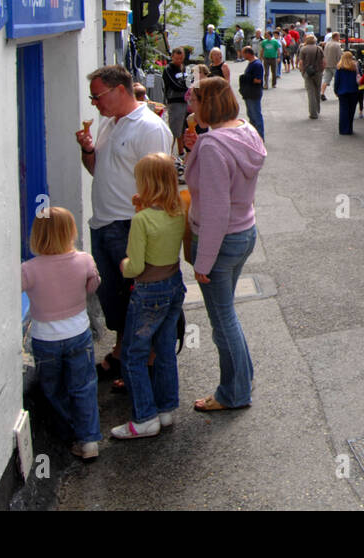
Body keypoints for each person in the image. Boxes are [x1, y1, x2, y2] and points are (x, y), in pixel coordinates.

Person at [75, 66, 174, 385]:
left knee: (137, 298)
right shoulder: (108, 123)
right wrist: (88, 150)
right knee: (114, 298)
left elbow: (161, 182)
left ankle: (144, 366)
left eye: (97, 95)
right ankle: (122, 352)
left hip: (130, 224)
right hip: (104, 221)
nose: (94, 103)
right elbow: (98, 170)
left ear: (120, 90)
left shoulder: (149, 127)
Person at [184, 77, 267, 412]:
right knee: (227, 315)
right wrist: (196, 147)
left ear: (207, 104)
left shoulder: (214, 146)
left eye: (195, 101)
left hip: (219, 239)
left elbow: (216, 208)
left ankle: (233, 393)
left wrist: (202, 262)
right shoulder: (245, 131)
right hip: (244, 231)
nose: (190, 107)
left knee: (222, 321)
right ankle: (241, 380)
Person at [111, 152, 187, 439]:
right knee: (165, 349)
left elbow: (136, 266)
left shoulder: (141, 220)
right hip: (173, 285)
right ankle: (166, 409)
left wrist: (122, 264)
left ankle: (144, 417)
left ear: (146, 183)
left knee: (134, 354)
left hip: (147, 292)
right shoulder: (179, 210)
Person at [21, 206, 102, 461]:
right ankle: (89, 439)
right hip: (78, 333)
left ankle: (67, 433)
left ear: (37, 235)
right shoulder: (84, 259)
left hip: (46, 340)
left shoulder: (29, 269)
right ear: (70, 232)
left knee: (52, 388)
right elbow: (92, 286)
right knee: (84, 386)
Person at [163, 48, 190, 154]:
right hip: (175, 102)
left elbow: (191, 81)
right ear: (172, 57)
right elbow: (174, 85)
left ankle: (181, 153)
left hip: (186, 101)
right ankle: (169, 154)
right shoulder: (168, 69)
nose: (179, 60)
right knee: (174, 129)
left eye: (181, 58)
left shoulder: (185, 68)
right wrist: (187, 89)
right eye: (177, 58)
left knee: (183, 129)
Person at [239, 45, 266, 140]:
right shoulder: (252, 63)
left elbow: (258, 80)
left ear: (248, 53)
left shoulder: (257, 64)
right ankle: (254, 137)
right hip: (249, 93)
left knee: (256, 115)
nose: (242, 56)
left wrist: (246, 79)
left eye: (243, 53)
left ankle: (260, 137)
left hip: (254, 93)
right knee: (251, 115)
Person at [297, 34, 325, 119]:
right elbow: (324, 61)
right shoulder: (319, 49)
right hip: (318, 72)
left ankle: (313, 113)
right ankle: (317, 109)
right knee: (317, 91)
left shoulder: (303, 49)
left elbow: (301, 62)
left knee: (310, 92)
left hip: (308, 72)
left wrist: (302, 71)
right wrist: (322, 70)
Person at [333, 51, 360, 135]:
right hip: (354, 91)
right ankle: (350, 129)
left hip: (342, 91)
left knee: (343, 110)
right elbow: (359, 78)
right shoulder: (355, 67)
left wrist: (336, 90)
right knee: (351, 111)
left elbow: (337, 81)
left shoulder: (339, 67)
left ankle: (343, 129)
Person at [320, 33, 343, 102]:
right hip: (335, 65)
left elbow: (324, 54)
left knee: (326, 80)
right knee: (337, 80)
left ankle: (322, 93)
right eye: (339, 36)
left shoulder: (327, 44)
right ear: (336, 37)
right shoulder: (337, 45)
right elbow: (339, 56)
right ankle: (337, 94)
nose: (339, 38)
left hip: (327, 64)